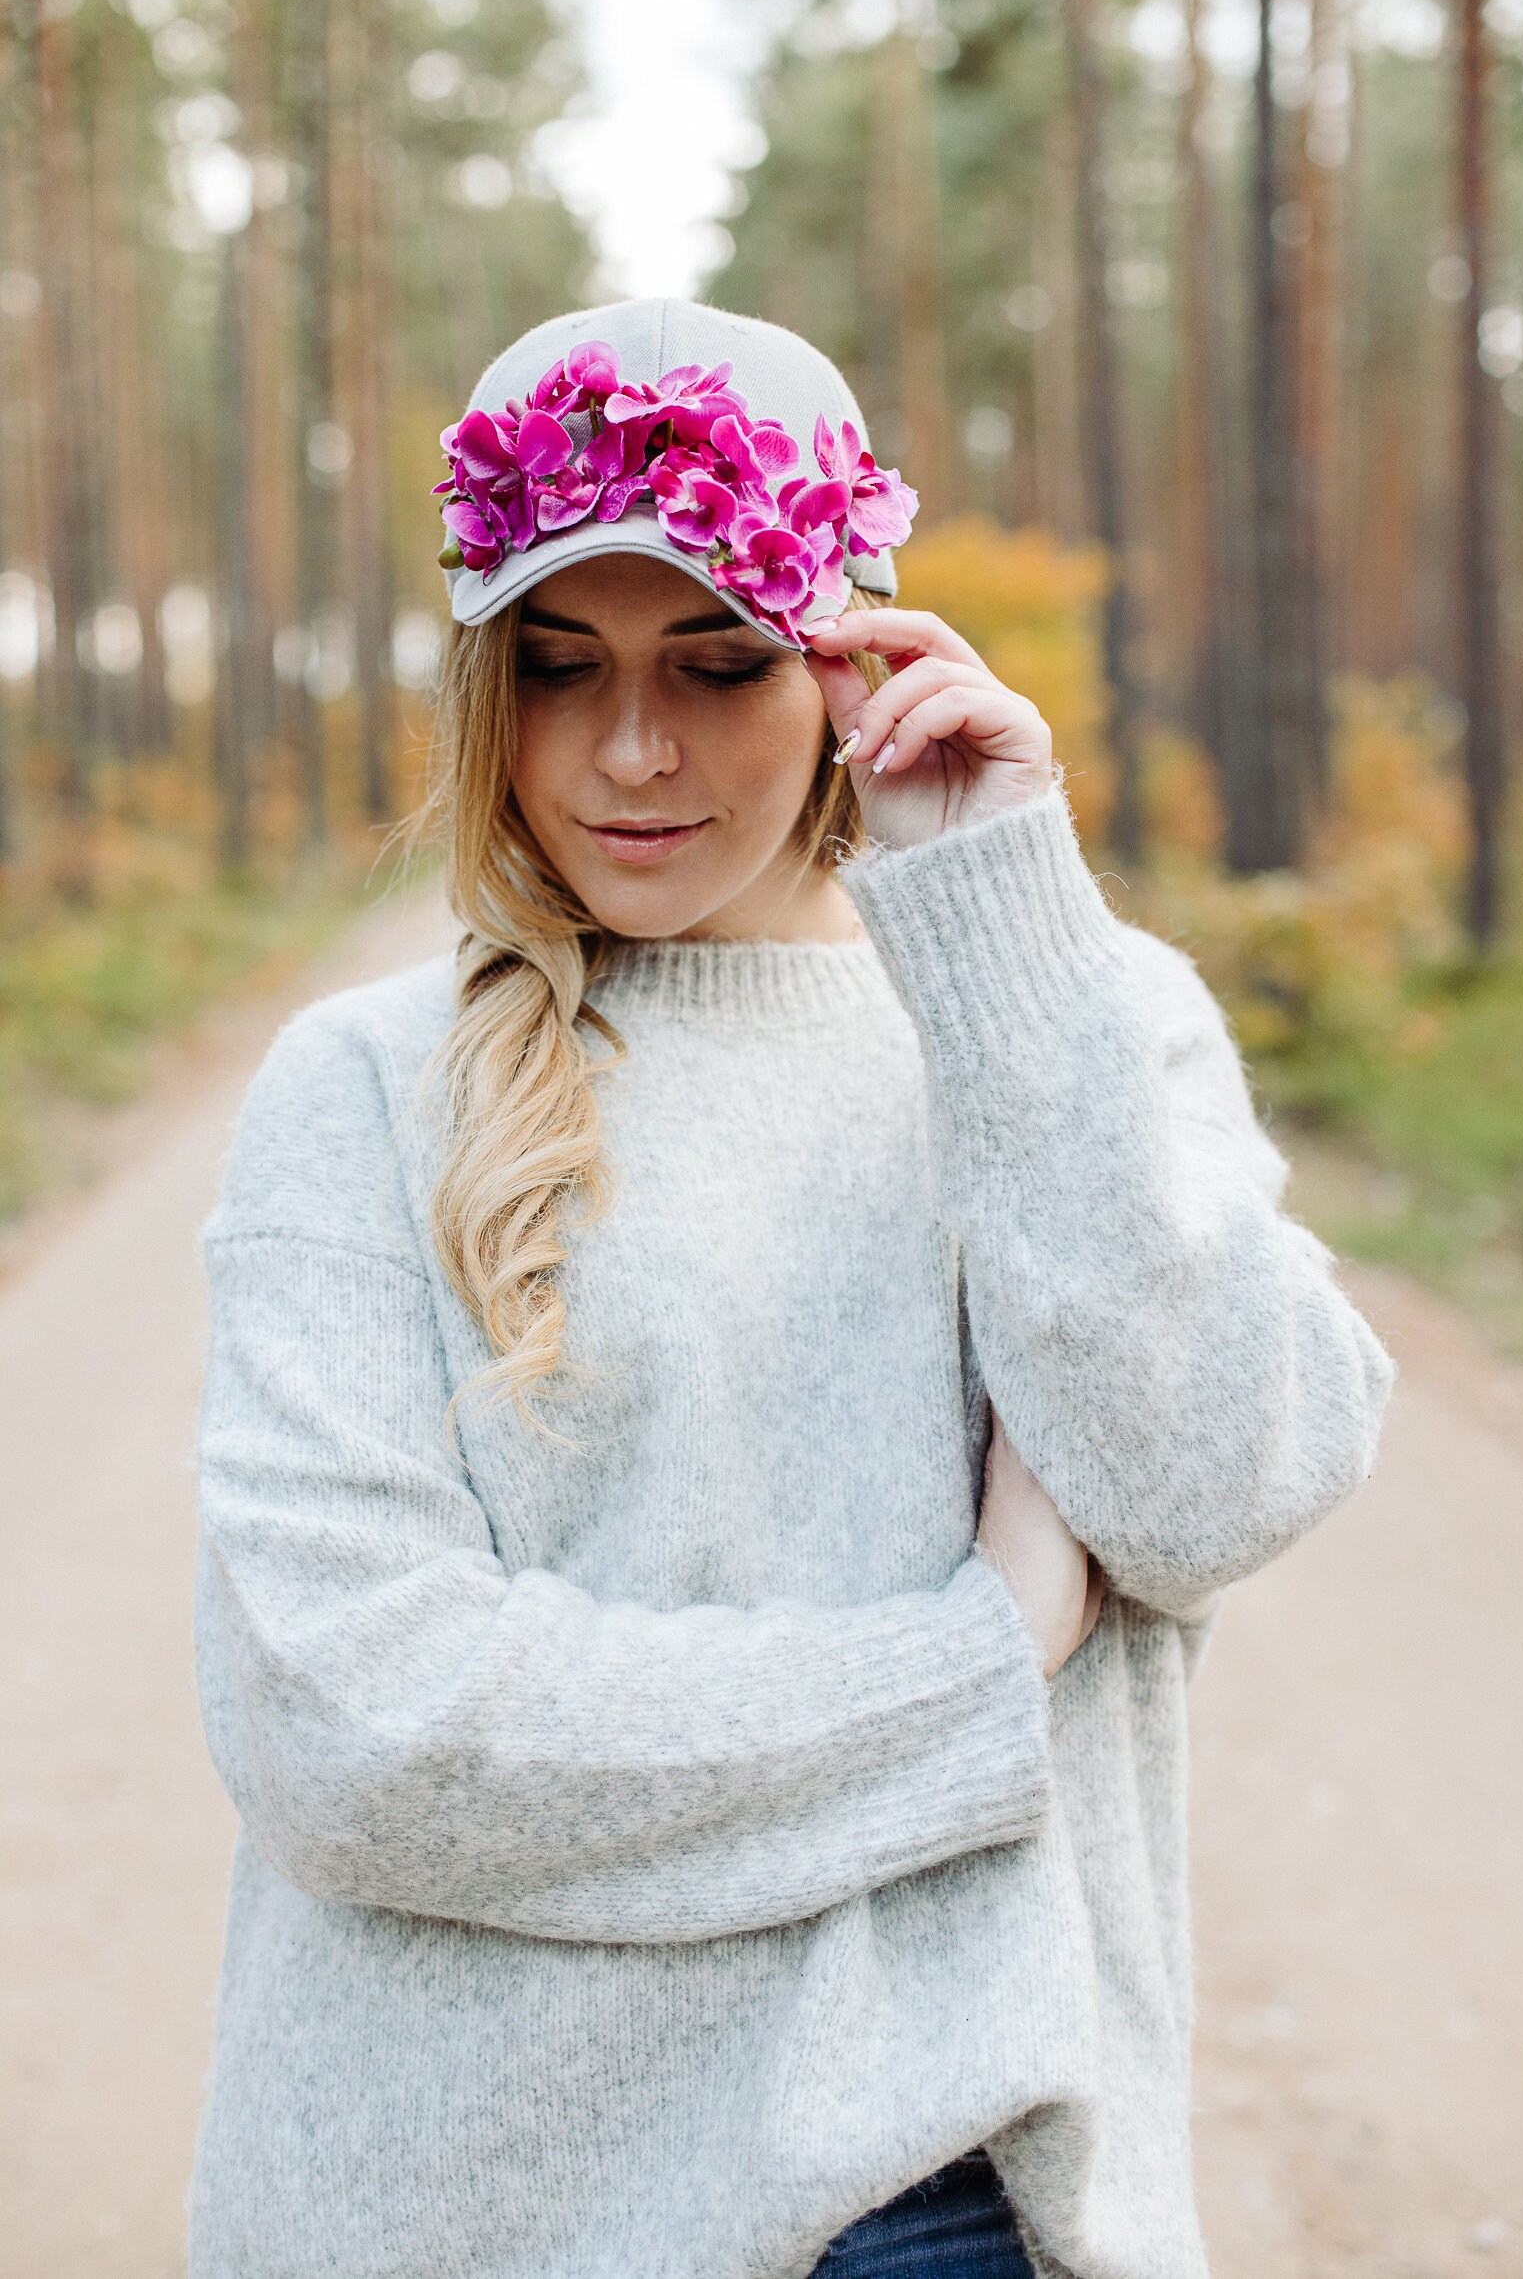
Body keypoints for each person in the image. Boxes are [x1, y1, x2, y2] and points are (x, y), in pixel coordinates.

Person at [189, 299, 1392, 2279]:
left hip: (941, 2197)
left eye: (717, 661)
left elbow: (1208, 1485)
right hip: (464, 2212)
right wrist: (978, 1659)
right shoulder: (366, 1088)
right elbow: (357, 1730)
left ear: (847, 662)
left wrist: (996, 921)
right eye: (557, 666)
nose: (629, 748)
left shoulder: (1066, 1010)